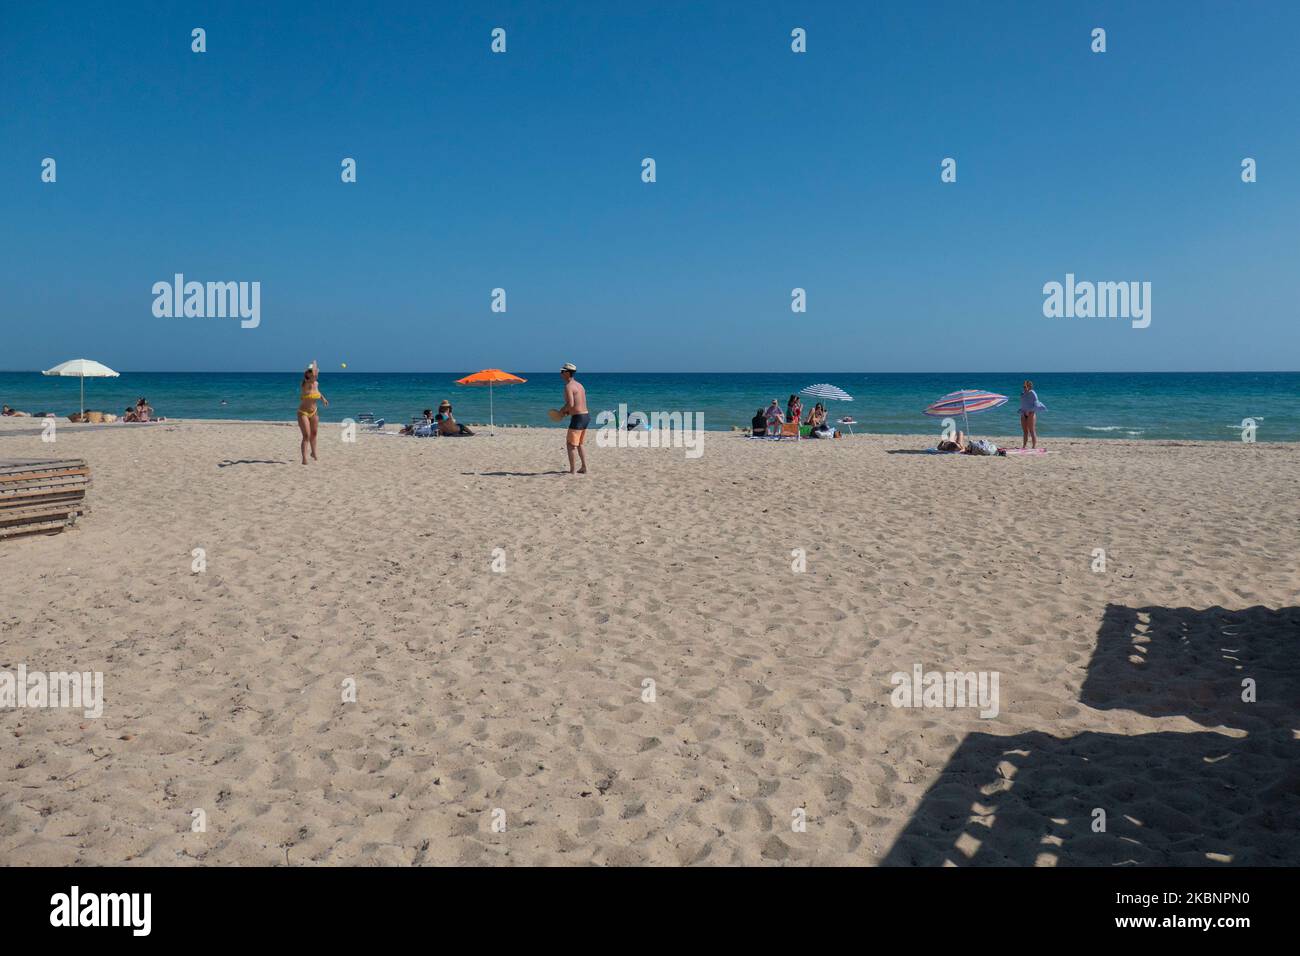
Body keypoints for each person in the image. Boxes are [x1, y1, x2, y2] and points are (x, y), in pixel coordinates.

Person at [554, 363, 589, 473]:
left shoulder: (569, 386)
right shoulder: (580, 385)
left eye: (562, 371)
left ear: (567, 372)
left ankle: (572, 470)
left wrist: (561, 411)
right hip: (586, 416)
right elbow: (579, 404)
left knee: (570, 445)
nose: (560, 373)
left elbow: (571, 404)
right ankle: (584, 467)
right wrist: (568, 412)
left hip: (578, 418)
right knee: (579, 444)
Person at [297, 362, 328, 464]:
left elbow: (317, 392)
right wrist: (314, 364)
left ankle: (314, 453)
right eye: (312, 372)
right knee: (306, 435)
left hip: (314, 411)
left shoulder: (316, 383)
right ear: (308, 373)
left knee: (314, 434)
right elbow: (312, 380)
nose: (314, 373)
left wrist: (323, 398)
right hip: (303, 412)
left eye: (315, 372)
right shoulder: (305, 383)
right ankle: (304, 458)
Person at [1019, 380, 1045, 449]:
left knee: (1032, 430)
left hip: (1031, 413)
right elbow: (1023, 404)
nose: (1024, 388)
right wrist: (1022, 411)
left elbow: (1037, 404)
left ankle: (1033, 446)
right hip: (1023, 413)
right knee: (1025, 431)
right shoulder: (1022, 393)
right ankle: (1024, 446)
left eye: (1025, 386)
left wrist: (1029, 411)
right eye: (1023, 386)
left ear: (1029, 386)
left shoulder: (1033, 393)